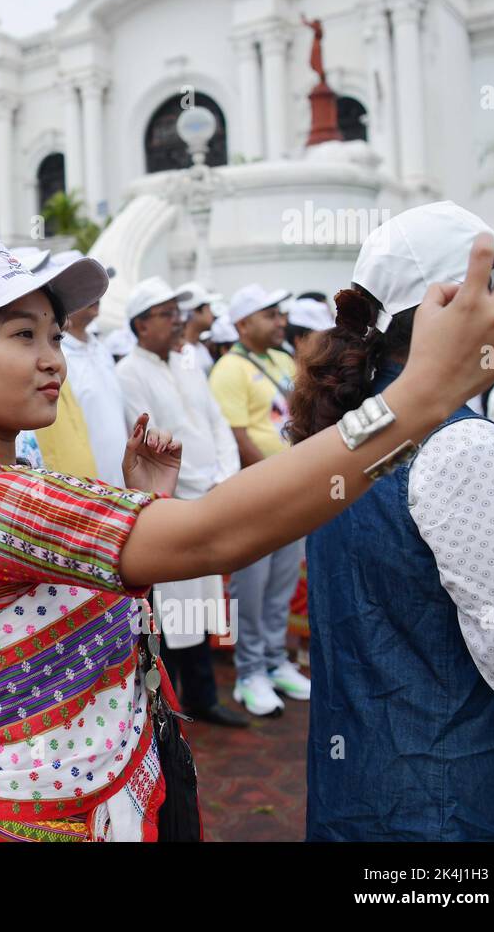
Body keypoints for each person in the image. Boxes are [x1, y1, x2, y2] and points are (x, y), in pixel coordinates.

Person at [0, 228, 494, 842]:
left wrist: (144, 507)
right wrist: (423, 395)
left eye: (54, 335)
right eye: (22, 335)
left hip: (107, 801)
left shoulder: (1, 480)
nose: (52, 359)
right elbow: (214, 537)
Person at [288, 200, 494, 840]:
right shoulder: (466, 447)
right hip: (462, 811)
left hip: (368, 794)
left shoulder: (354, 428)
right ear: (455, 304)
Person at [115, 278, 246, 728]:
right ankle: (170, 707)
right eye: (167, 314)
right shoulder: (128, 372)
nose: (178, 321)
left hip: (210, 496)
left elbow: (216, 422)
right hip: (173, 503)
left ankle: (204, 697)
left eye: (178, 313)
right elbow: (149, 439)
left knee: (202, 602)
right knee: (171, 610)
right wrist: (199, 485)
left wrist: (224, 477)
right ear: (140, 325)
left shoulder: (189, 362)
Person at [208, 284, 311, 715]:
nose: (280, 321)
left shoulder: (284, 359)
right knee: (251, 586)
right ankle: (249, 672)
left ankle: (274, 660)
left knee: (282, 582)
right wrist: (274, 480)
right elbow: (236, 438)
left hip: (291, 490)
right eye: (269, 314)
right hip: (260, 495)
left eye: (279, 313)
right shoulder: (228, 370)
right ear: (243, 324)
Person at [57, 252, 130, 487]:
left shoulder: (101, 350)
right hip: (85, 494)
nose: (94, 293)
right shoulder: (57, 358)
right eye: (81, 285)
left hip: (120, 488)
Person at [175, 281, 218, 375]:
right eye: (208, 307)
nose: (212, 314)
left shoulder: (201, 349)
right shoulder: (182, 352)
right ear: (195, 311)